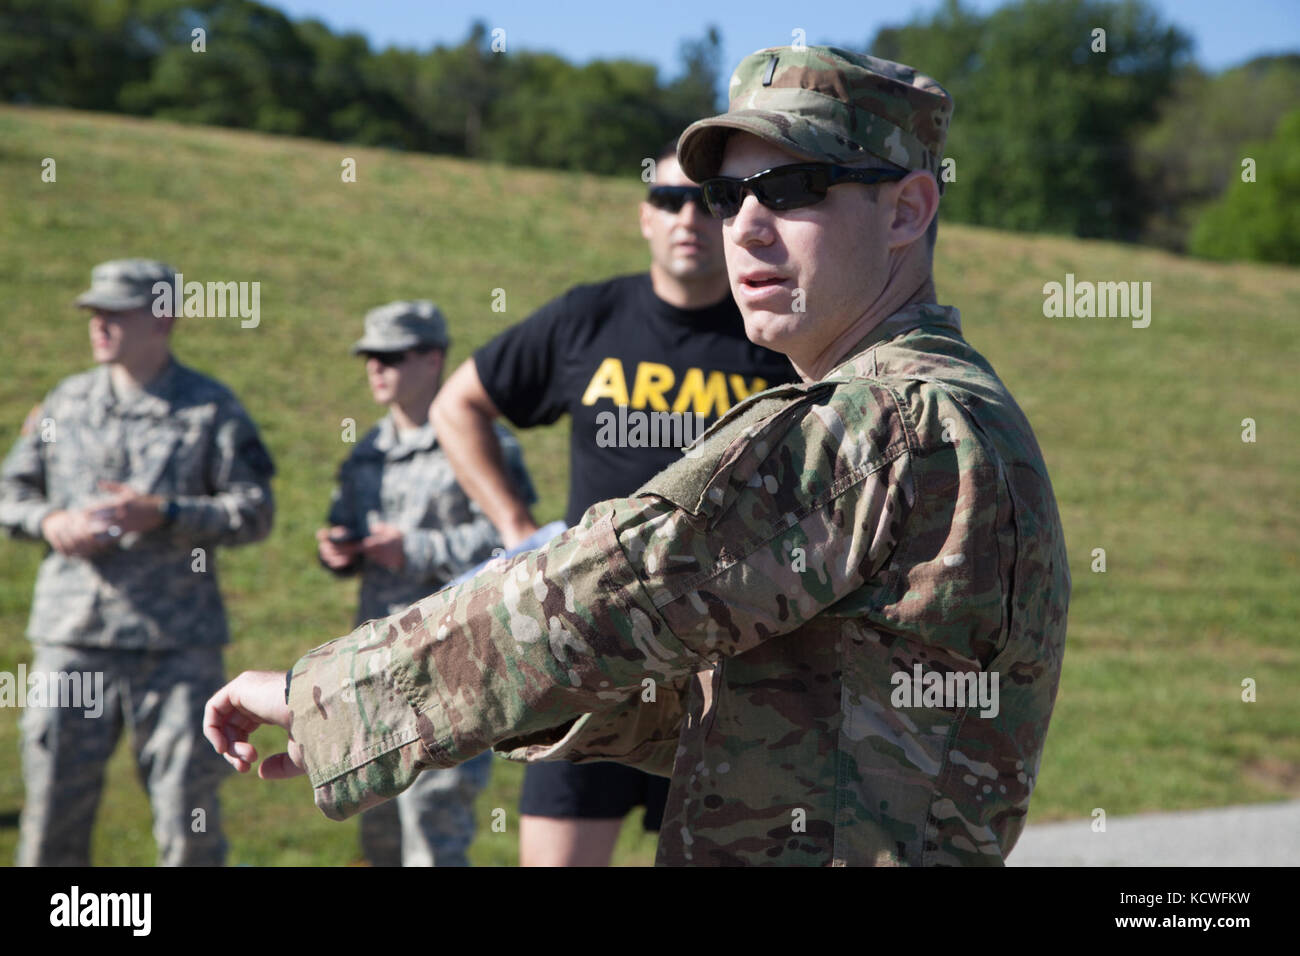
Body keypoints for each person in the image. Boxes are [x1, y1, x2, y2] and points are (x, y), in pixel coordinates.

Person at [205, 46, 1072, 867]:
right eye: (728, 198)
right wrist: (491, 708)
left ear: (907, 210)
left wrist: (330, 697)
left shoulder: (890, 421)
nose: (744, 228)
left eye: (794, 186)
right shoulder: (942, 407)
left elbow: (618, 587)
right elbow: (768, 712)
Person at [429, 139, 796, 865]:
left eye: (706, 200)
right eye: (667, 200)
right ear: (645, 217)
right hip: (587, 652)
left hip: (725, 667)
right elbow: (457, 404)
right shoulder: (588, 319)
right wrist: (517, 531)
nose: (686, 216)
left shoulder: (773, 337)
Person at [1, 258, 275, 866]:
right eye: (94, 313)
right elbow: (9, 492)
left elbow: (255, 511)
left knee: (188, 818)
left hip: (176, 643)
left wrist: (168, 513)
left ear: (163, 319)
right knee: (51, 816)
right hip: (74, 637)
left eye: (116, 313)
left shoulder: (210, 409)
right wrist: (51, 522)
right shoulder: (64, 402)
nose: (99, 325)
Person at [315, 300, 536, 866]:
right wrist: (338, 551)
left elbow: (514, 545)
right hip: (372, 665)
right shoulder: (367, 453)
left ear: (434, 358)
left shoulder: (482, 442)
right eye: (369, 357)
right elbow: (347, 532)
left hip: (450, 664)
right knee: (377, 829)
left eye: (391, 356)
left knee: (434, 835)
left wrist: (415, 549)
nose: (375, 368)